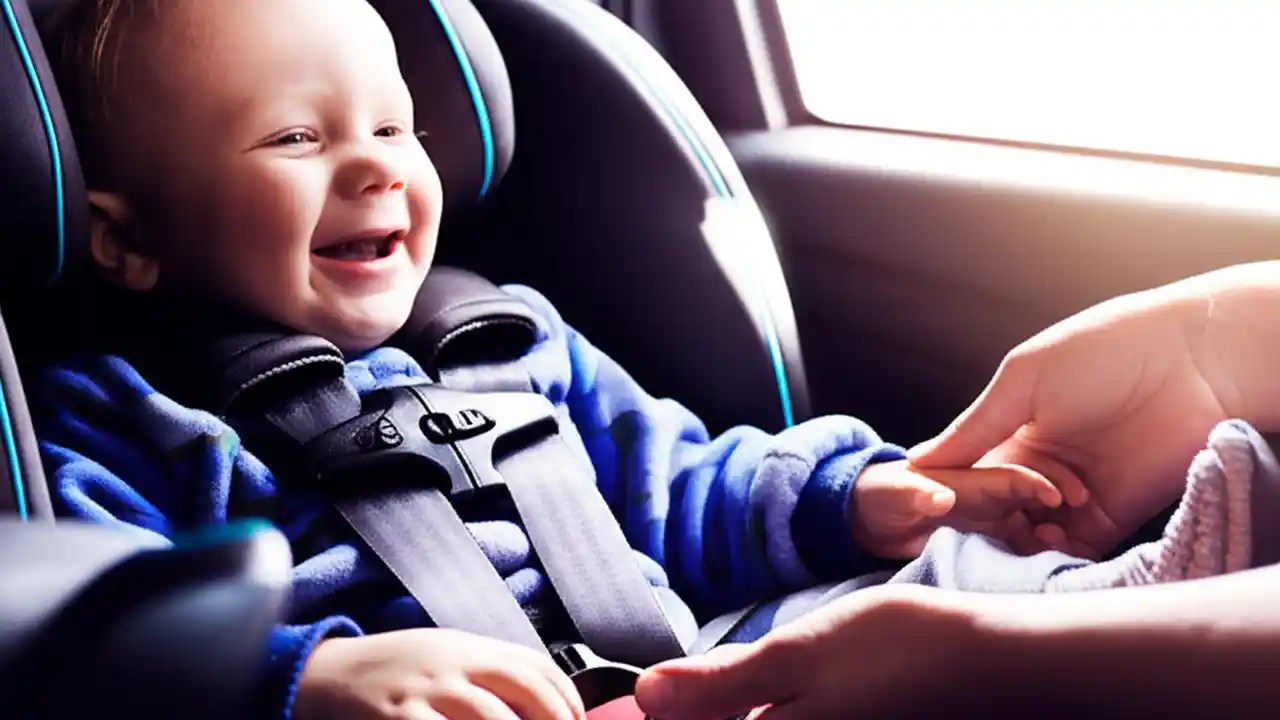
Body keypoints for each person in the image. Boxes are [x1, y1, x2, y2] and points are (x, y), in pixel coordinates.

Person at [31, 1, 1073, 719]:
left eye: (397, 128)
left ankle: (1149, 588)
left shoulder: (505, 340)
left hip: (691, 668)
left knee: (969, 597)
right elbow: (118, 647)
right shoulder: (119, 420)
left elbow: (678, 487)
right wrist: (312, 676)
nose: (375, 166)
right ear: (125, 239)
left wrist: (850, 498)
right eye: (296, 139)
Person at [635, 260, 1280, 720]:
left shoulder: (540, 351)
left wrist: (845, 500)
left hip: (712, 645)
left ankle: (1114, 596)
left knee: (950, 569)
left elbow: (676, 484)